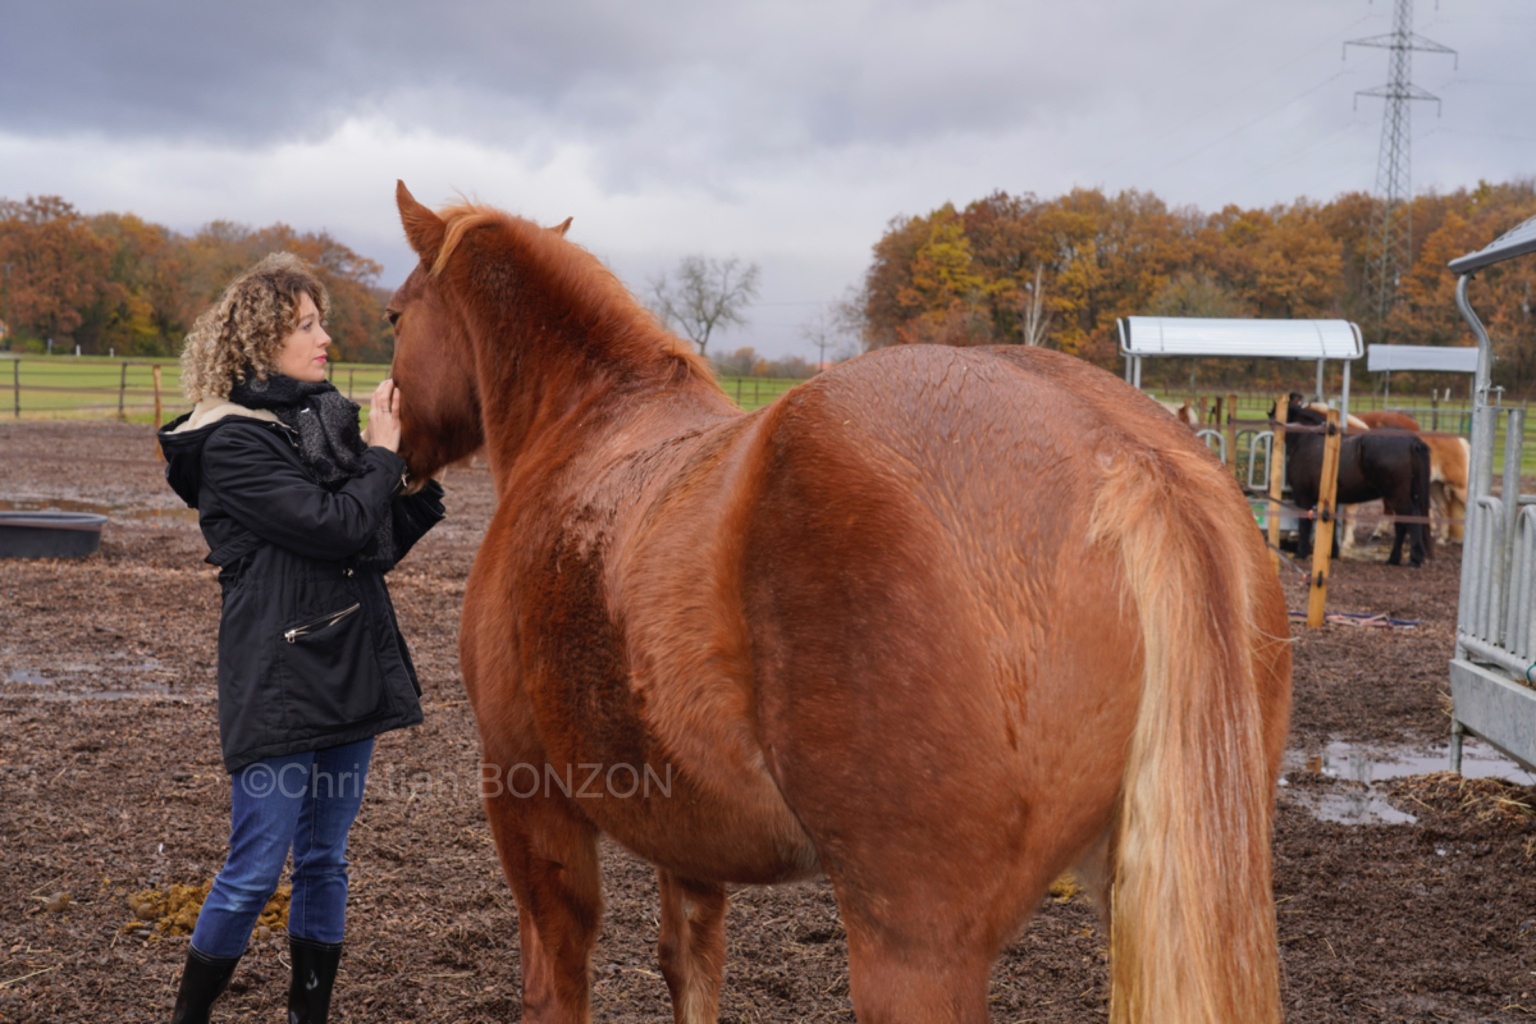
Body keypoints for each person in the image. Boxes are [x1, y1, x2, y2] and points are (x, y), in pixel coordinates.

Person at [157, 252, 444, 1024]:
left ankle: (307, 1018)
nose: (324, 337)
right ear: (258, 344)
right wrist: (381, 457)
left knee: (325, 861)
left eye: (320, 322)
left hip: (346, 665)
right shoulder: (231, 445)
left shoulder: (323, 426)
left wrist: (415, 468)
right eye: (306, 325)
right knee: (254, 871)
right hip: (278, 681)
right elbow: (334, 524)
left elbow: (369, 546)